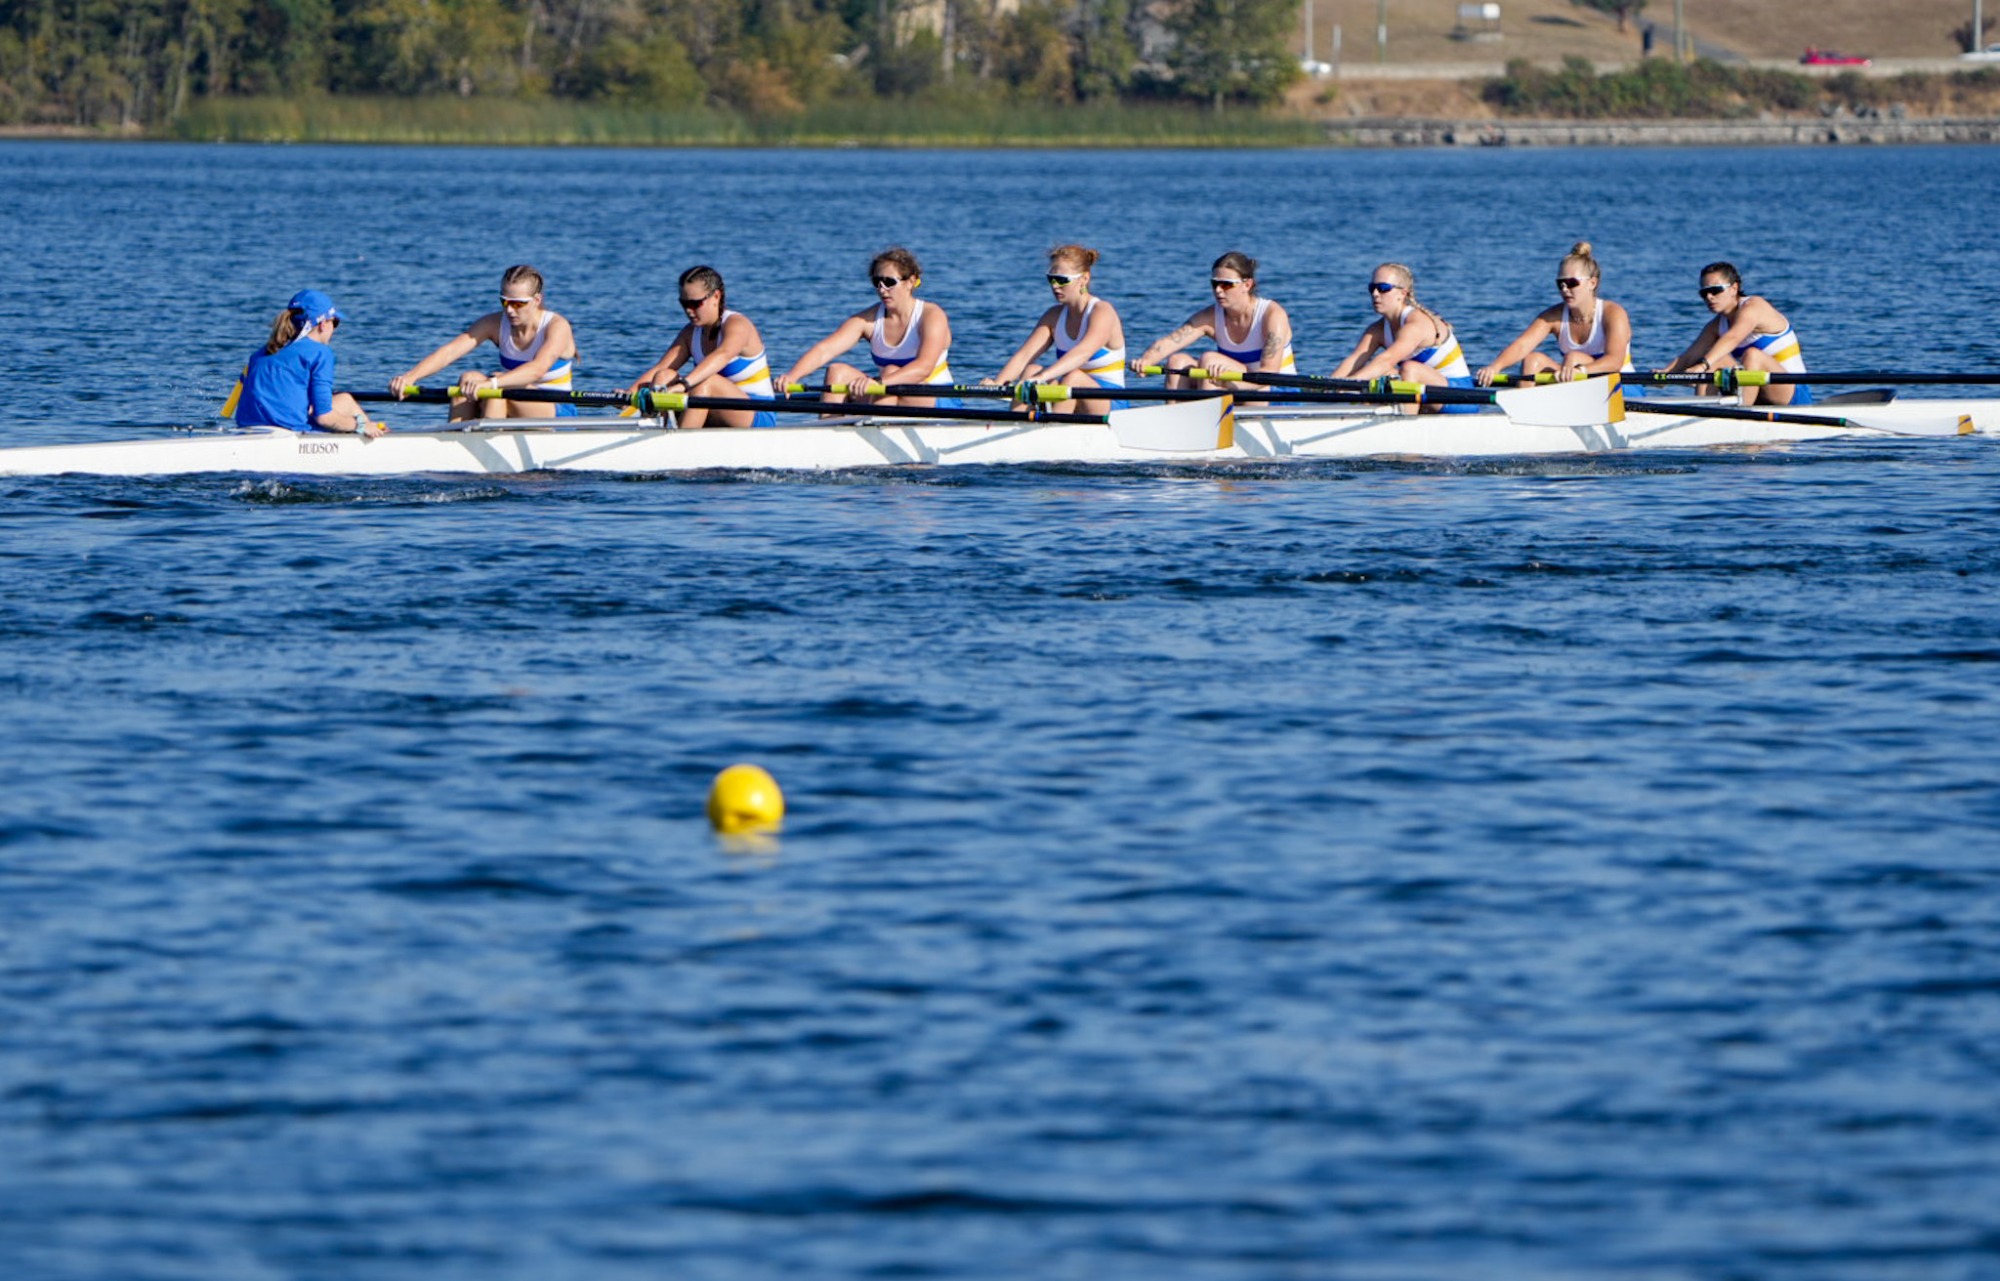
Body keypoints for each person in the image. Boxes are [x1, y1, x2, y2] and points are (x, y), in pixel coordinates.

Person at [774, 247, 958, 410]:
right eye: (877, 282)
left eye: (889, 282)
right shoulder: (868, 319)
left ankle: (877, 430)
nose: (882, 289)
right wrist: (793, 375)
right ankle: (829, 430)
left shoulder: (931, 316)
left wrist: (878, 383)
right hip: (886, 394)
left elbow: (923, 368)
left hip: (939, 399)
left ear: (910, 281)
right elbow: (825, 350)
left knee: (890, 372)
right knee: (837, 371)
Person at [389, 265, 578, 420]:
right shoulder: (493, 323)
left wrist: (491, 383)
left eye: (518, 303)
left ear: (537, 300)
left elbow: (537, 369)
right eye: (504, 302)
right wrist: (411, 377)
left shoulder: (557, 326)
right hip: (512, 397)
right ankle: (454, 442)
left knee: (496, 388)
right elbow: (449, 352)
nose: (510, 310)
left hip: (557, 410)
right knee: (469, 378)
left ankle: (489, 451)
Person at [620, 267, 778, 428]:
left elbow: (722, 355)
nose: (689, 310)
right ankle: (651, 434)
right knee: (663, 376)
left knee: (706, 382)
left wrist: (683, 386)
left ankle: (676, 446)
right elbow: (661, 367)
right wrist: (628, 395)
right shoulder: (690, 333)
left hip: (757, 413)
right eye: (684, 303)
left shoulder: (738, 325)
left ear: (716, 296)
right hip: (712, 407)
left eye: (695, 304)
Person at [989, 245, 1128, 416]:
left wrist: (1043, 377)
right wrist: (998, 383)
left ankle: (1053, 432)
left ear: (1084, 279)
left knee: (1072, 377)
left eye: (1062, 280)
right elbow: (1024, 356)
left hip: (1110, 403)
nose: (1055, 286)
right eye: (1051, 279)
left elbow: (1082, 354)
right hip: (1068, 394)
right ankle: (1014, 423)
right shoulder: (1053, 316)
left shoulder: (1102, 311)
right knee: (1032, 370)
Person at [1474, 241, 1634, 386]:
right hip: (1580, 385)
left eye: (1572, 283)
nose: (1565, 289)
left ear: (1592, 283)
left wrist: (1582, 371)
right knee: (1532, 360)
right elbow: (1522, 345)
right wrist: (1495, 367)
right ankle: (1525, 412)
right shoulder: (1554, 316)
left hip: (1621, 387)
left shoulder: (1613, 313)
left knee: (1574, 358)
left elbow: (1614, 361)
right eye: (1560, 284)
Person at [1130, 251, 1296, 391]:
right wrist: (1147, 360)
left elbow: (1269, 374)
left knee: (1210, 360)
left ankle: (1213, 422)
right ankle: (1178, 421)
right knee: (1177, 362)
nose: (1218, 290)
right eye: (1214, 284)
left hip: (1276, 392)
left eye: (1226, 285)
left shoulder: (1272, 315)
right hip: (1239, 390)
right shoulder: (1211, 316)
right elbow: (1171, 341)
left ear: (1247, 285)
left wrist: (1226, 380)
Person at [1329, 262, 1477, 414]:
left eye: (1383, 288)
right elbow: (1354, 360)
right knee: (1382, 374)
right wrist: (1330, 385)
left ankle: (1406, 425)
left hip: (1461, 397)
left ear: (1402, 293)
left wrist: (1351, 384)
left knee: (1408, 369)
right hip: (1428, 394)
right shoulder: (1377, 330)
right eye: (1371, 288)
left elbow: (1387, 359)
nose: (1375, 294)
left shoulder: (1417, 324)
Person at [1657, 262, 1811, 406]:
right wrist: (1665, 374)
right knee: (1713, 357)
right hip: (1756, 392)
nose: (1709, 297)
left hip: (1792, 392)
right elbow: (1688, 356)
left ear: (1734, 288)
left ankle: (1741, 413)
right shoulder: (1716, 325)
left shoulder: (1755, 306)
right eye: (1704, 293)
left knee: (1752, 355)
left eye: (1716, 290)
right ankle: (1702, 410)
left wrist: (1703, 365)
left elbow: (1734, 337)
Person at [232, 289, 378, 436]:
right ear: (323, 324)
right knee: (350, 412)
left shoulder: (260, 354)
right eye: (335, 322)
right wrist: (360, 425)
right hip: (288, 434)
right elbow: (324, 418)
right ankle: (376, 440)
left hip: (245, 431)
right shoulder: (320, 353)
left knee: (345, 400)